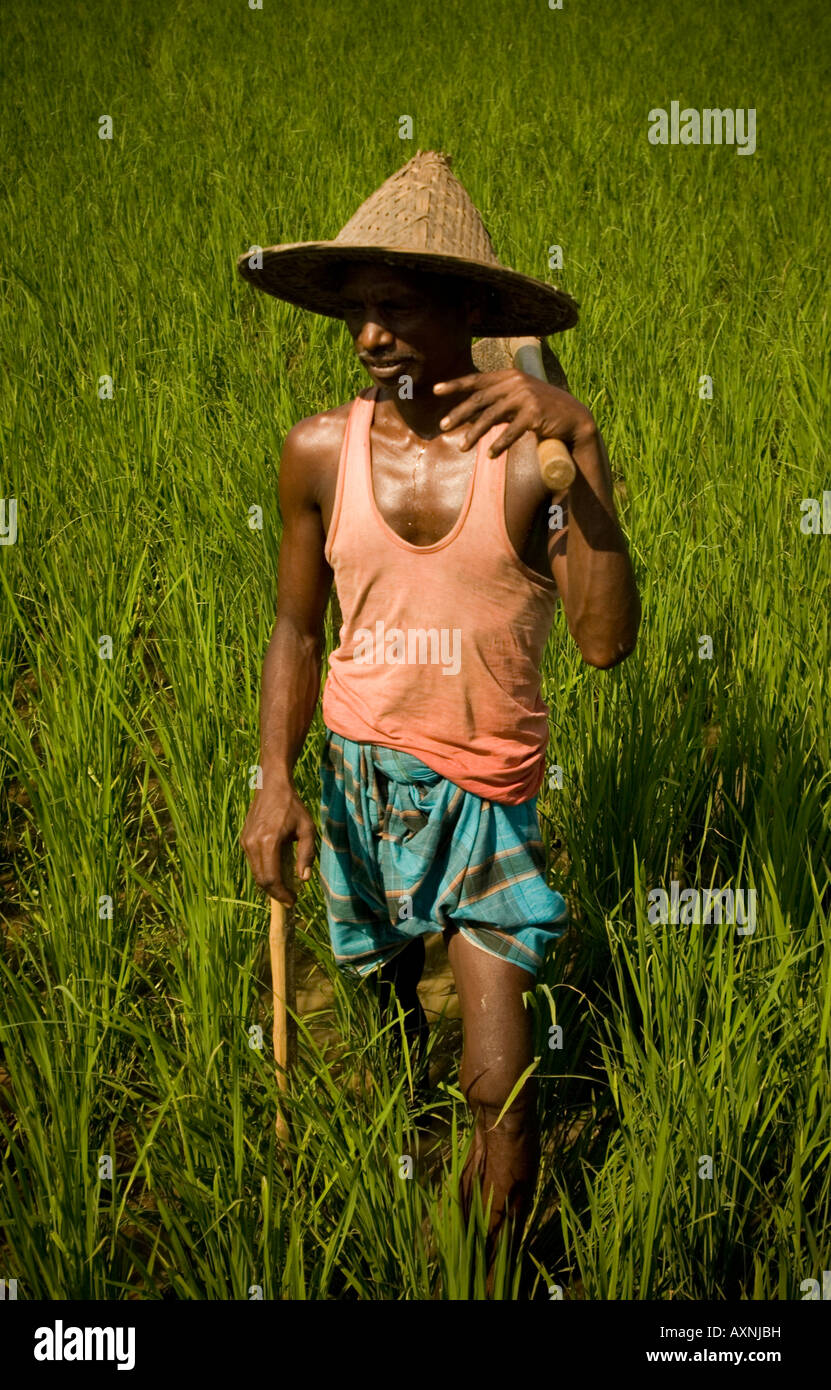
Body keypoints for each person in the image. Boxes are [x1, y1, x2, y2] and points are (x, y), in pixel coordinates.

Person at [238, 150, 641, 1280]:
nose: (371, 332)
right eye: (359, 306)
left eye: (399, 304)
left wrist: (590, 449)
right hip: (359, 783)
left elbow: (605, 645)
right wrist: (275, 777)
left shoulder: (532, 464)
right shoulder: (320, 452)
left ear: (467, 311)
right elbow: (296, 629)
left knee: (499, 1103)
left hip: (485, 803)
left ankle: (461, 1273)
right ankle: (397, 1163)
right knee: (383, 1030)